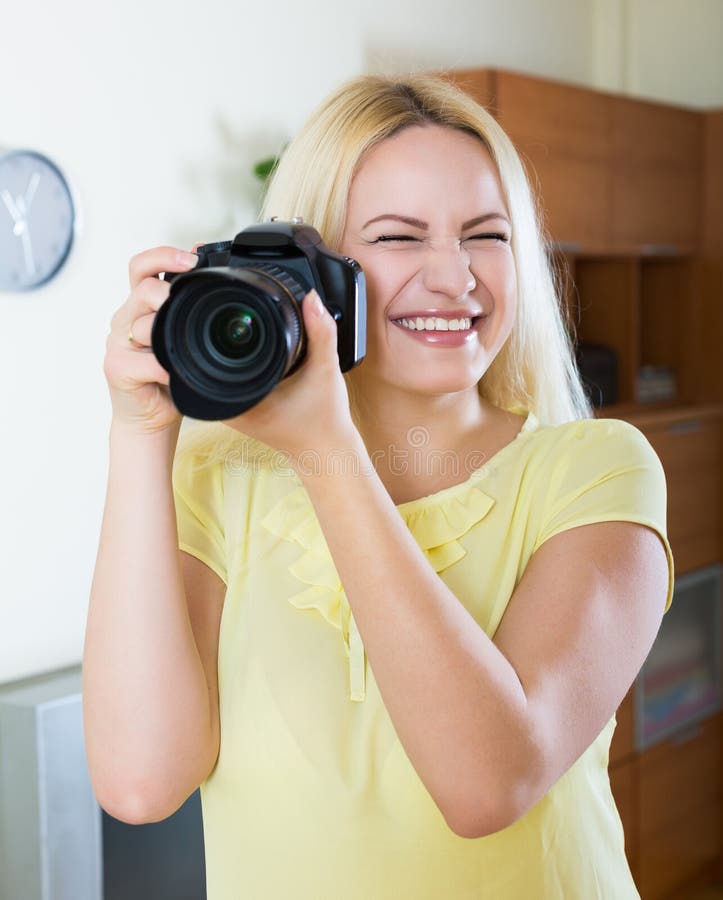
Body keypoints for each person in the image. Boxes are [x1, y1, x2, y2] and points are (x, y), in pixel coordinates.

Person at [84, 73, 673, 899]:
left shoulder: (597, 469)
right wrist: (142, 436)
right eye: (399, 237)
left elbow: (486, 785)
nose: (454, 277)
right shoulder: (222, 474)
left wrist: (326, 454)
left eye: (485, 235)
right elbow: (140, 783)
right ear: (310, 268)